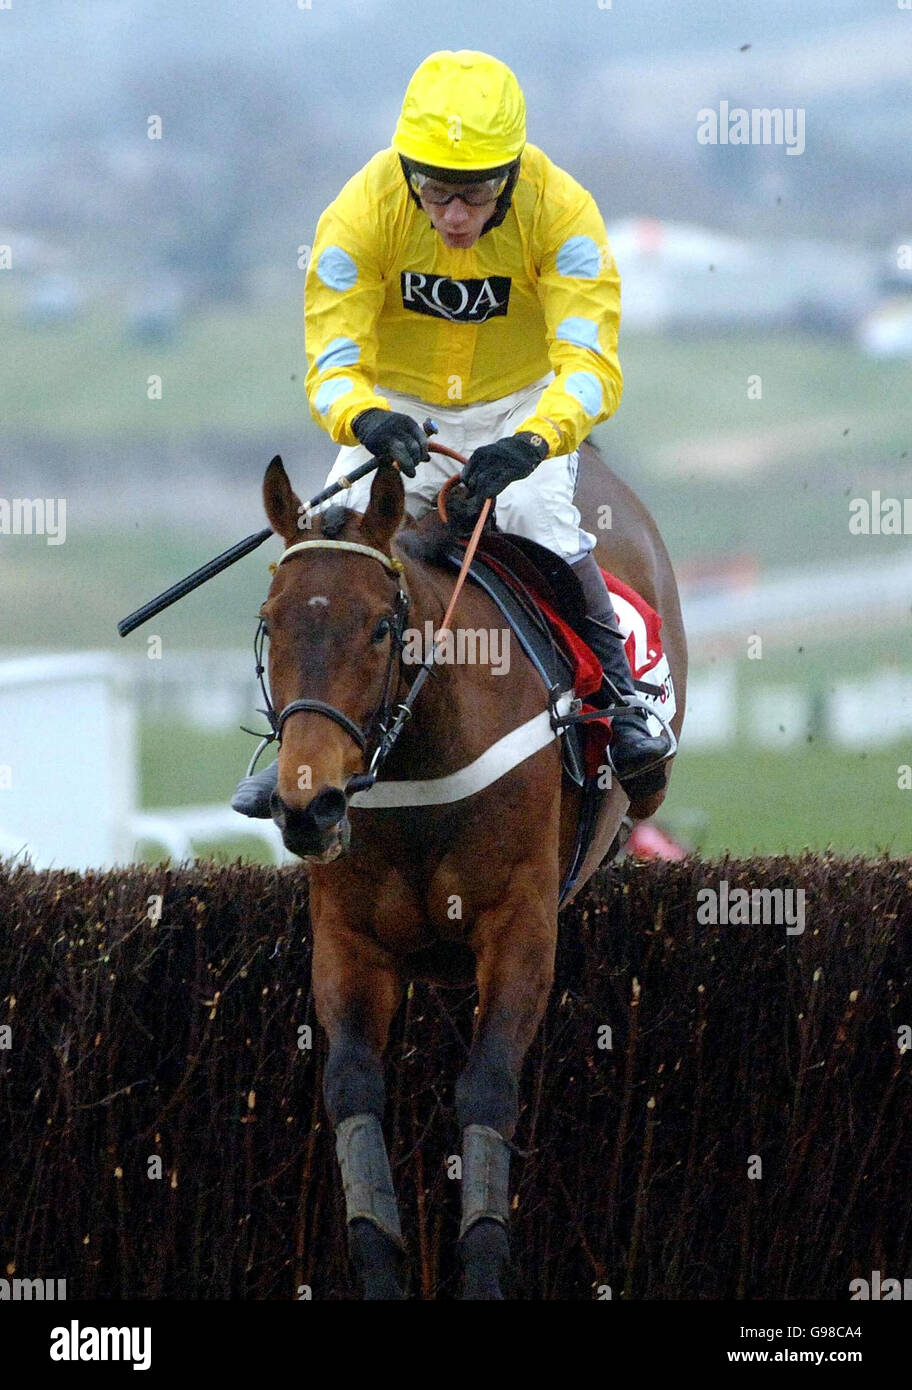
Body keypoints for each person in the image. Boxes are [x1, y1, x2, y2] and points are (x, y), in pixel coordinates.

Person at [233, 49, 671, 817]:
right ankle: (295, 745)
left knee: (535, 513)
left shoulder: (563, 212)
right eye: (435, 194)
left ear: (510, 175)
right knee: (337, 550)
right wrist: (366, 418)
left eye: (474, 195)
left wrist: (533, 441)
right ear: (408, 173)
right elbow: (332, 360)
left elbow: (591, 366)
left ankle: (624, 702)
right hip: (401, 407)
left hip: (524, 403)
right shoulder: (359, 213)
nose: (454, 216)